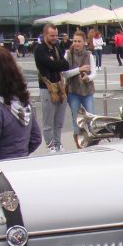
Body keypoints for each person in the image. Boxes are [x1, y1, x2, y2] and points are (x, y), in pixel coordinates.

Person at [34, 23, 86, 152]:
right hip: (47, 88)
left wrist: (57, 64)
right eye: (52, 35)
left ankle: (58, 143)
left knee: (59, 119)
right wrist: (58, 64)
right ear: (45, 35)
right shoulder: (40, 49)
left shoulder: (57, 47)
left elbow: (64, 65)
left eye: (56, 35)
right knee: (48, 120)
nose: (54, 38)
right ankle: (50, 144)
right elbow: (51, 65)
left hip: (60, 86)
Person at [64, 32, 97, 147]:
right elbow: (65, 74)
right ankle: (79, 143)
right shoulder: (68, 54)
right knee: (76, 119)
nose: (76, 43)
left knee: (91, 116)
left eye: (79, 41)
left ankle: (93, 140)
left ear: (84, 43)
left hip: (87, 91)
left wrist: (88, 77)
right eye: (75, 41)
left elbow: (94, 73)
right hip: (73, 91)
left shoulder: (89, 55)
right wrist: (79, 69)